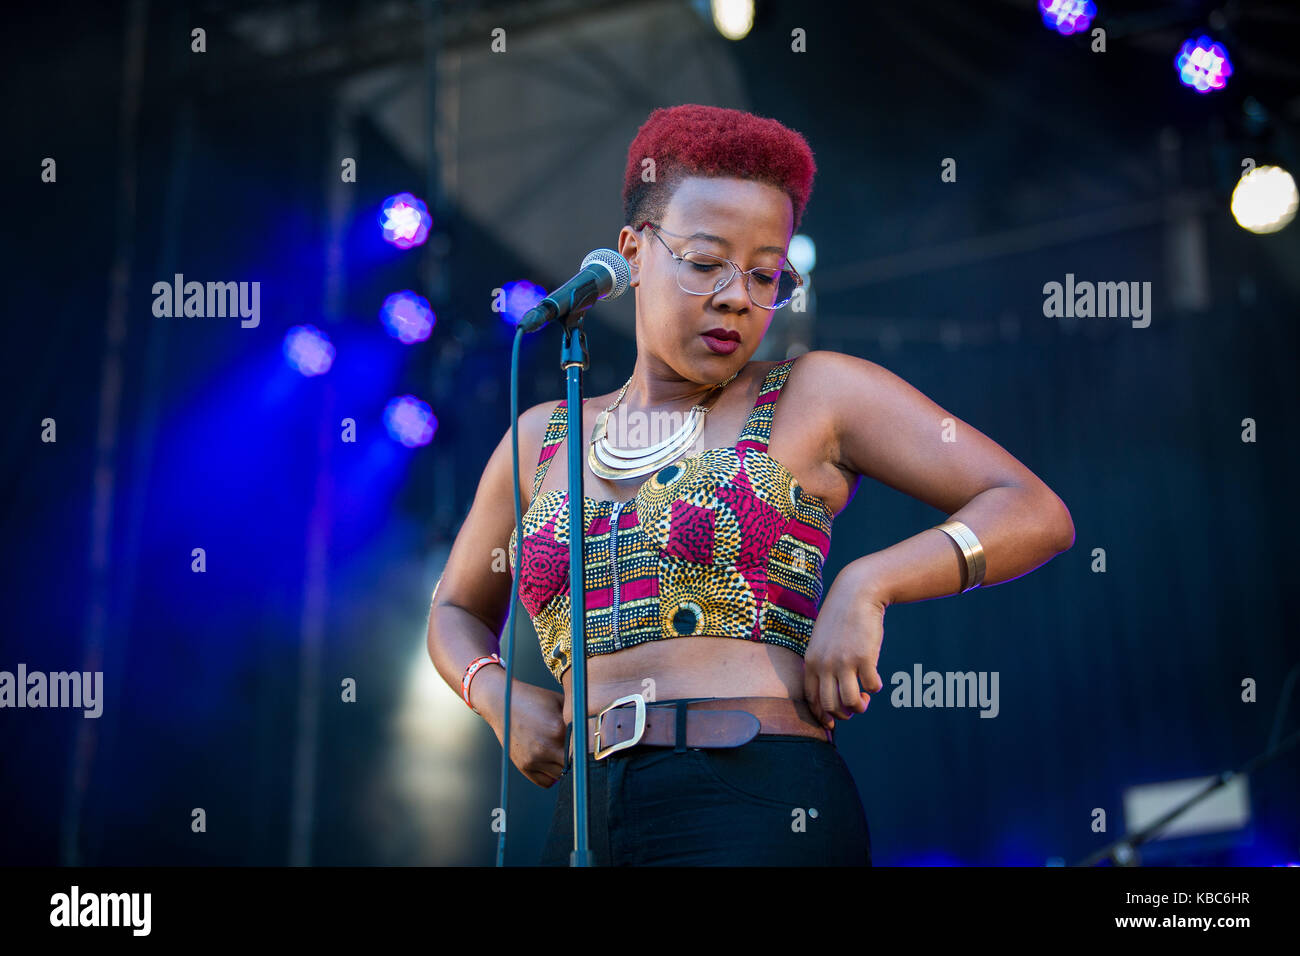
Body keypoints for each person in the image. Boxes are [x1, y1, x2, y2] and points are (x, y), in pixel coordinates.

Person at [426, 104, 1075, 866]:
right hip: (586, 816)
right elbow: (455, 608)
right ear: (633, 253)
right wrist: (495, 694)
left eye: (766, 275)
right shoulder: (542, 435)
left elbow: (1033, 509)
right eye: (705, 263)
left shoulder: (816, 394)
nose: (738, 296)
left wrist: (870, 584)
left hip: (757, 799)